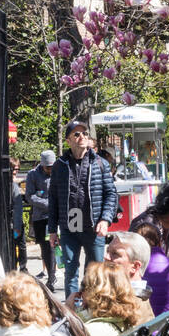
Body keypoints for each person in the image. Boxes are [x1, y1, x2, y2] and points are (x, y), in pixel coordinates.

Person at [47, 120, 119, 299]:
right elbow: (53, 199)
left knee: (94, 272)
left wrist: (105, 219)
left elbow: (111, 194)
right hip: (70, 226)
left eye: (84, 134)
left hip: (93, 226)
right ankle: (71, 311)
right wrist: (52, 230)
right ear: (68, 140)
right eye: (76, 134)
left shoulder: (100, 163)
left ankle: (91, 306)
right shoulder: (59, 165)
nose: (82, 137)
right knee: (70, 271)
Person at [25, 151, 57, 286]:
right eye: (47, 167)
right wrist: (48, 204)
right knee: (46, 248)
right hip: (41, 218)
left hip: (56, 217)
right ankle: (51, 275)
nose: (50, 170)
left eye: (52, 167)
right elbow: (30, 196)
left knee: (56, 248)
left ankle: (54, 275)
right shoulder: (32, 175)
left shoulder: (58, 172)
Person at [105, 230, 152, 301]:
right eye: (107, 251)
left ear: (135, 266)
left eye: (115, 254)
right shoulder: (116, 292)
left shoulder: (130, 305)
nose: (106, 257)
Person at [10, 157, 26, 271]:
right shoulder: (11, 185)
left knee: (20, 246)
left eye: (17, 169)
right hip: (13, 223)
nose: (15, 172)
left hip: (16, 223)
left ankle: (22, 267)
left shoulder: (14, 184)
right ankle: (19, 268)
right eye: (13, 169)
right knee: (16, 246)